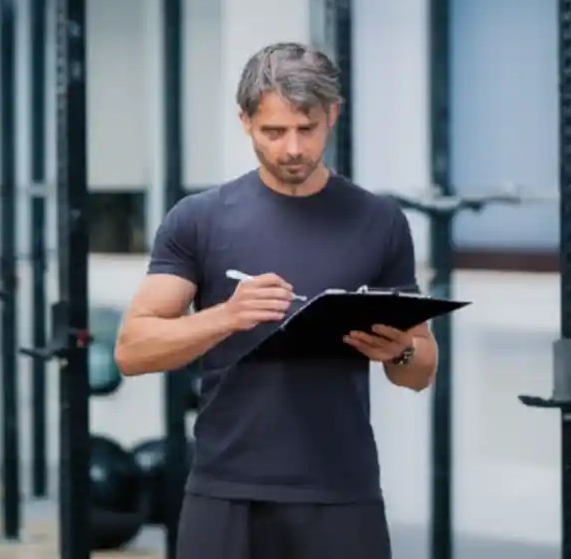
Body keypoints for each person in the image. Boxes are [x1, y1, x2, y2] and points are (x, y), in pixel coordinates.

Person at [115, 42, 437, 558]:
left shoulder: (379, 222)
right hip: (227, 487)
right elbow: (132, 349)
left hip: (341, 488)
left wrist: (397, 351)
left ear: (332, 115)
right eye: (273, 131)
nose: (292, 149)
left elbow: (419, 370)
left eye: (306, 130)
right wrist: (227, 316)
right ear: (245, 121)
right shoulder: (199, 219)